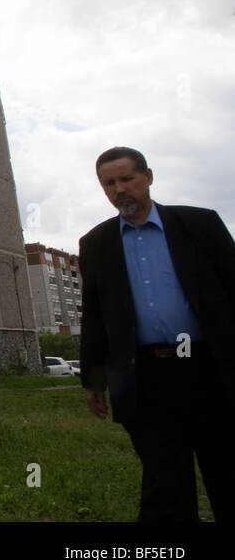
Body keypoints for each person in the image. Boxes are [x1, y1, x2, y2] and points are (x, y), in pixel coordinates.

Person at [79, 146, 235, 521]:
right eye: (109, 183)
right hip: (146, 377)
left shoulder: (200, 225)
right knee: (165, 484)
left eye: (127, 179)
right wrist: (93, 379)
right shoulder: (96, 244)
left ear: (148, 177)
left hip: (208, 368)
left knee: (228, 469)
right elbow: (96, 316)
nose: (120, 189)